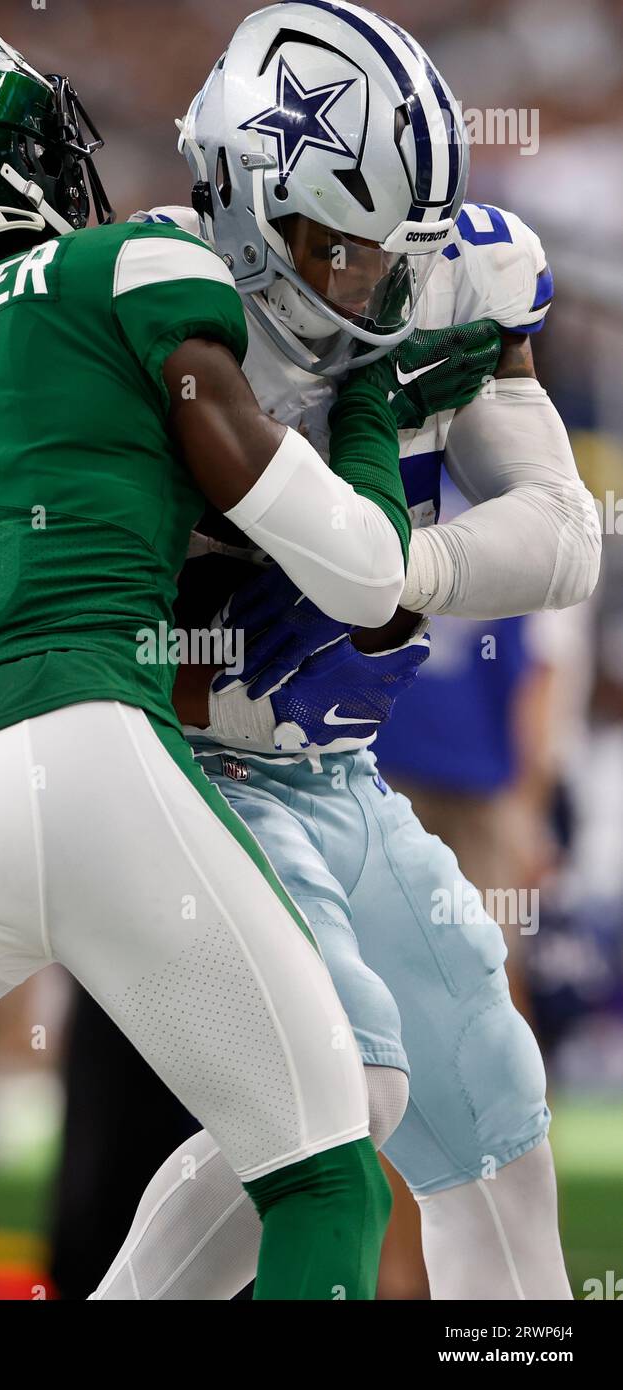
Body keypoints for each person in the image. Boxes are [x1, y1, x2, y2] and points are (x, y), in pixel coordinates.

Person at [0, 19, 492, 1298]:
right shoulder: (124, 265)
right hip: (82, 747)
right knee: (322, 1169)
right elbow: (359, 569)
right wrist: (377, 405)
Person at [90, 2, 600, 1301]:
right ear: (234, 188)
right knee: (341, 1090)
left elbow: (560, 538)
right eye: (332, 243)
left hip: (335, 765)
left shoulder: (465, 274)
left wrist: (394, 568)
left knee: (492, 1110)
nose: (367, 282)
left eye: (395, 250)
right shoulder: (152, 299)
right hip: (178, 768)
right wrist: (335, 554)